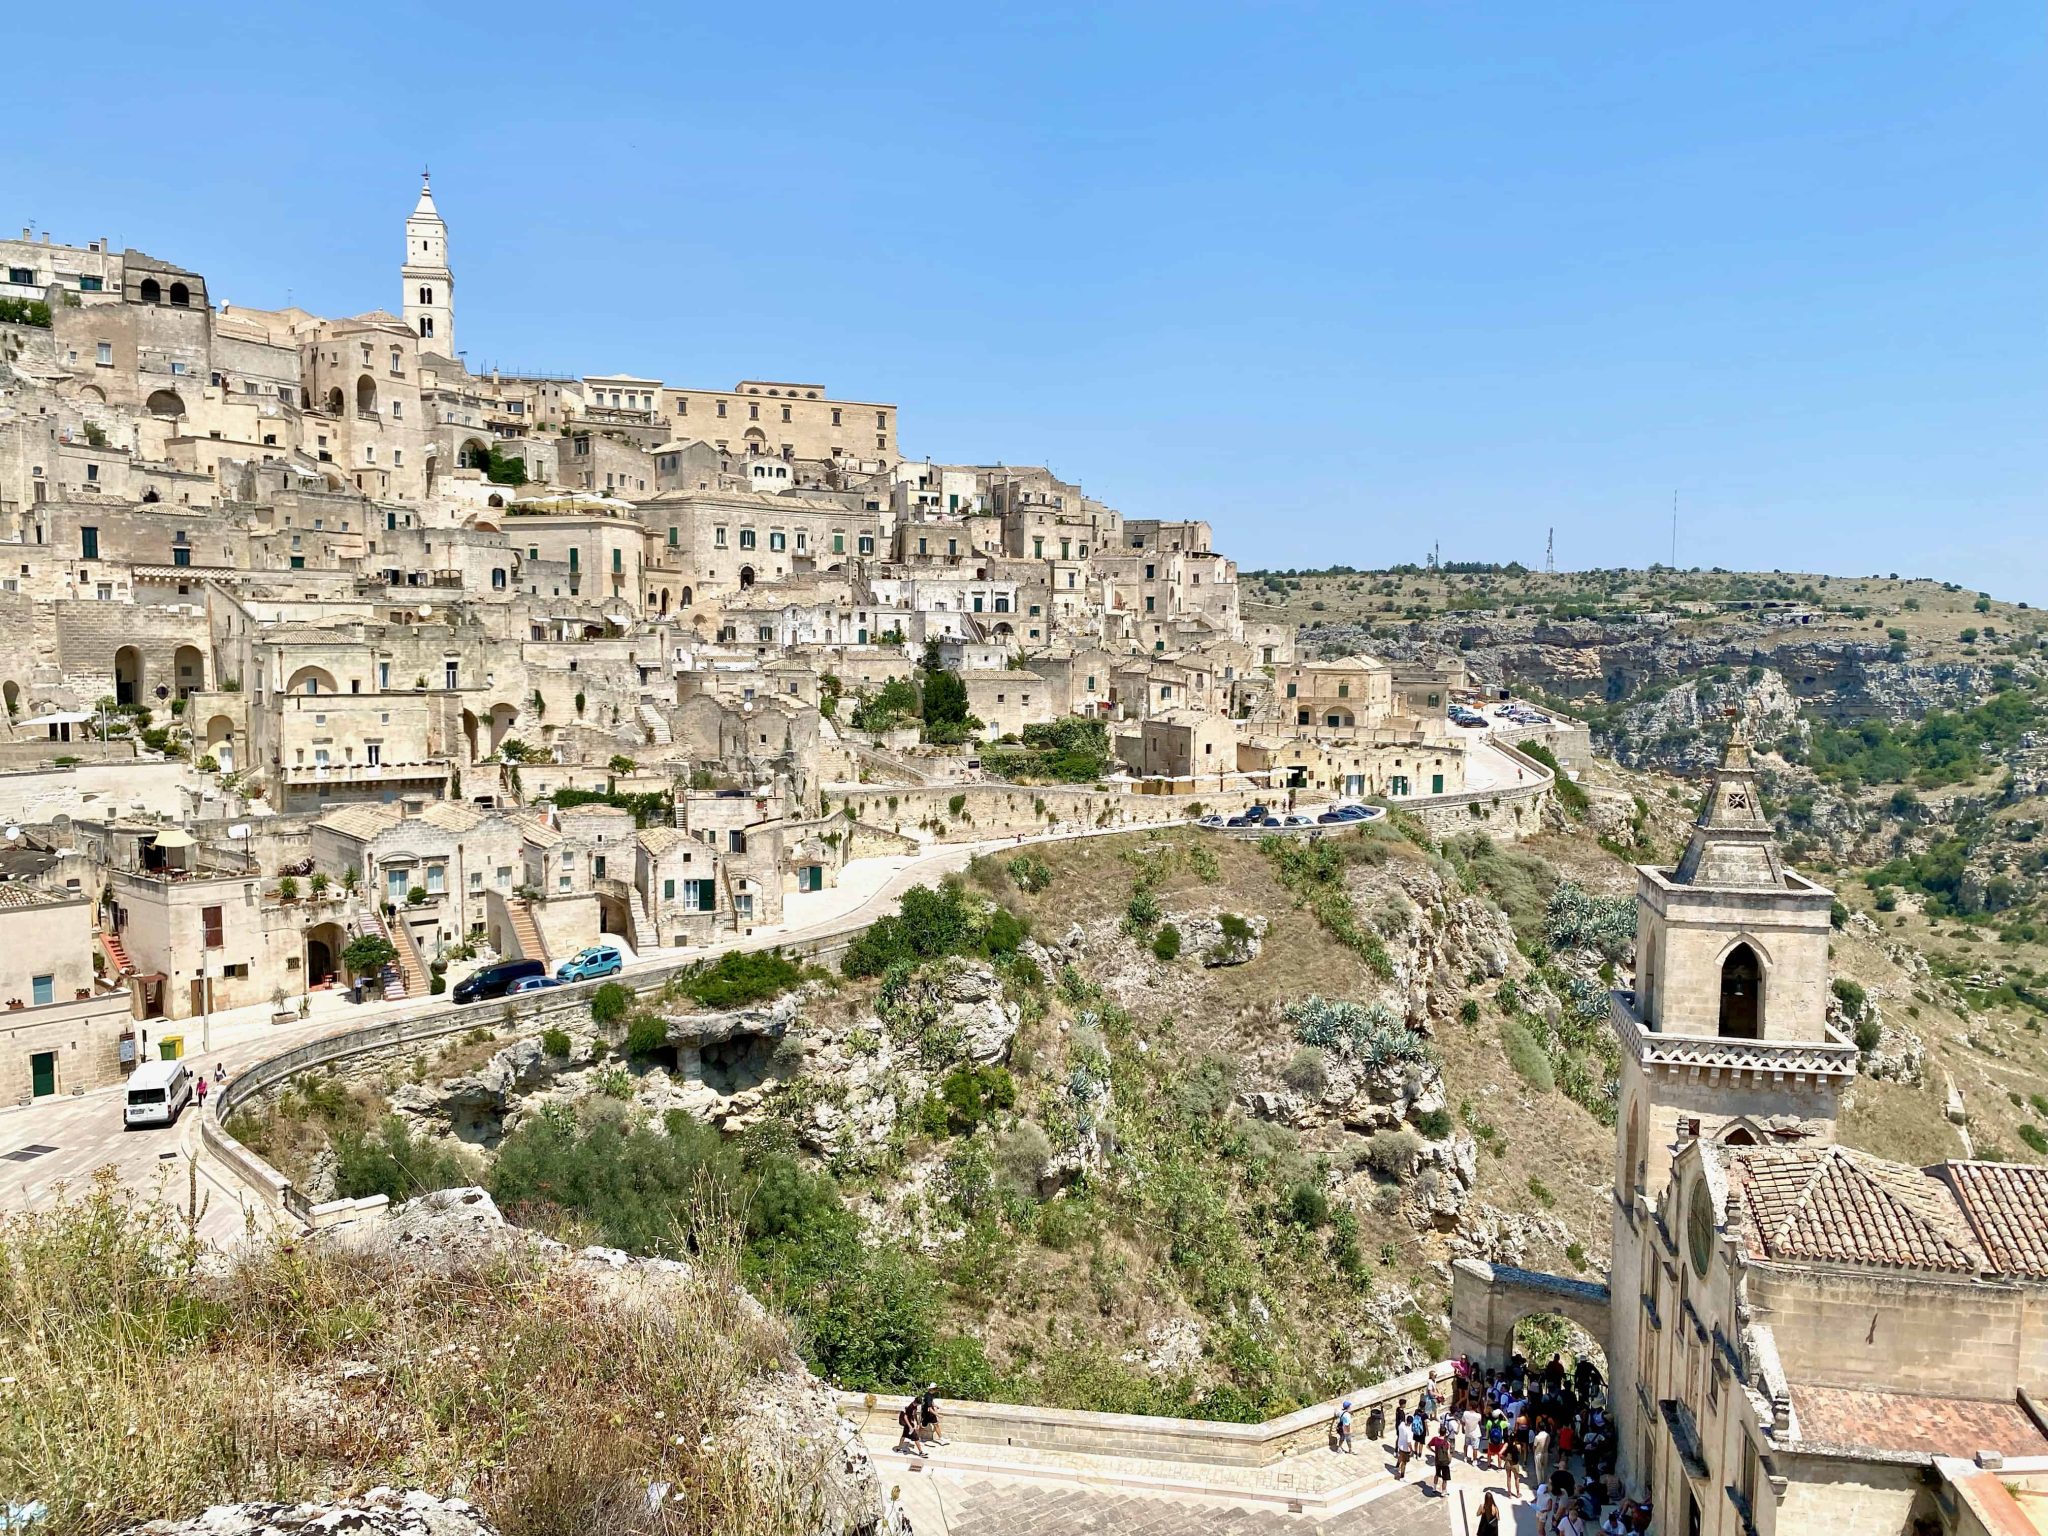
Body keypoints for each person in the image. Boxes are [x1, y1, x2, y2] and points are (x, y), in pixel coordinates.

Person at [1430, 1429, 1452, 1495]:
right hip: (1444, 1462)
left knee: (1437, 1474)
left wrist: (1434, 1452)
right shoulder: (1447, 1442)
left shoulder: (1435, 1439)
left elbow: (1428, 1446)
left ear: (1439, 1432)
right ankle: (1443, 1491)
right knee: (1445, 1478)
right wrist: (1449, 1460)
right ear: (1445, 1433)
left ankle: (1434, 1488)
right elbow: (1448, 1454)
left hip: (1437, 1460)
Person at [1394, 1411, 1414, 1480]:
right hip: (1405, 1449)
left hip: (1400, 1445)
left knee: (1400, 1456)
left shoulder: (1401, 1425)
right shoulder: (1409, 1432)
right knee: (1404, 1463)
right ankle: (1402, 1476)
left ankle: (1396, 1466)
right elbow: (1409, 1442)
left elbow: (1403, 1421)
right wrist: (1412, 1450)